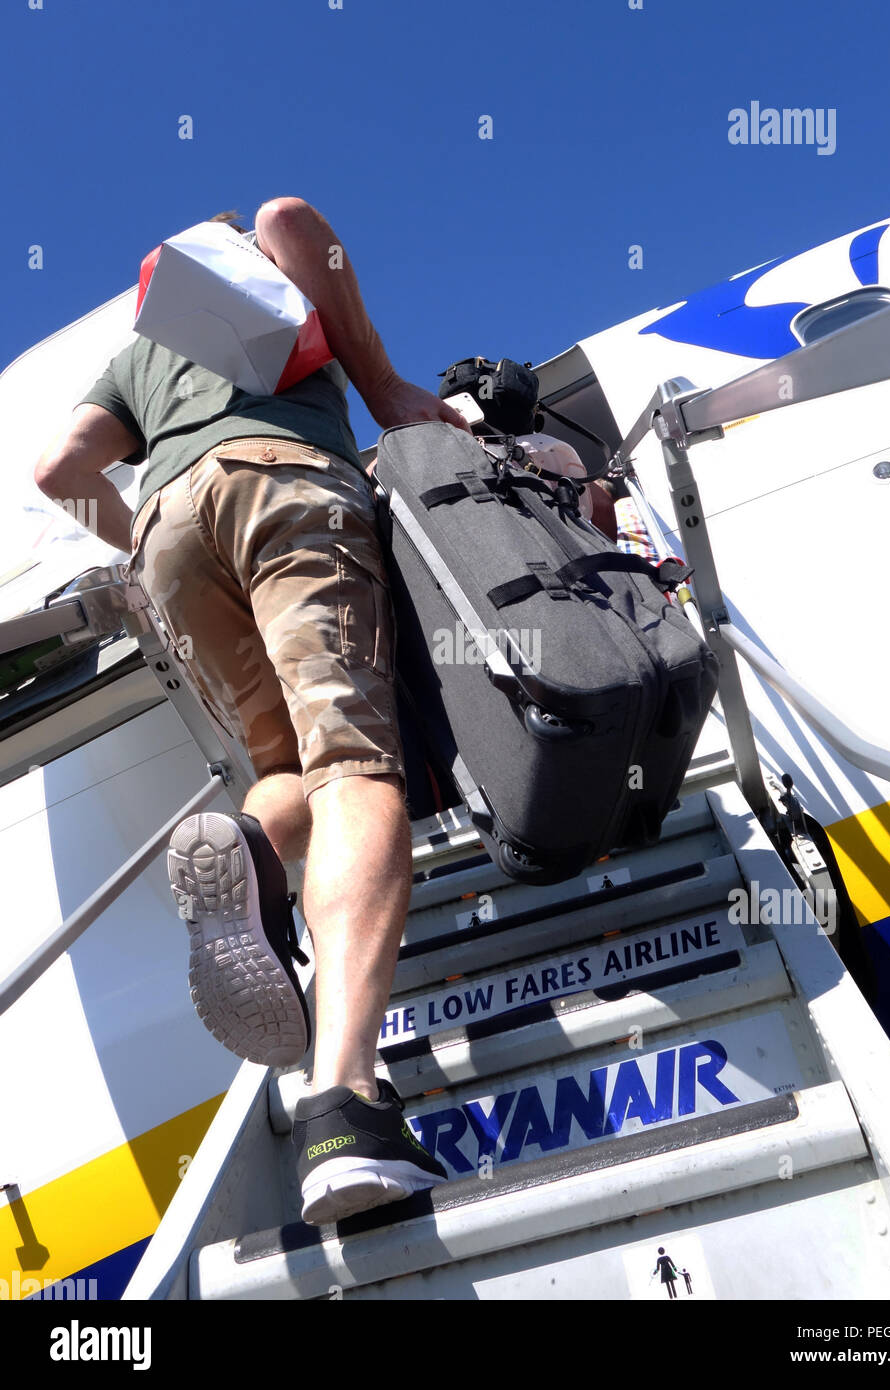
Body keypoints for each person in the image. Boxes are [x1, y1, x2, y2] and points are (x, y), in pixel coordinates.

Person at [34, 197, 472, 1226]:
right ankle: (346, 1103)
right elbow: (287, 216)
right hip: (286, 487)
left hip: (170, 534)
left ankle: (244, 842)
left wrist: (140, 547)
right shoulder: (258, 255)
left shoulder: (140, 351)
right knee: (356, 766)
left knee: (282, 770)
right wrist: (387, 387)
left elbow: (60, 470)